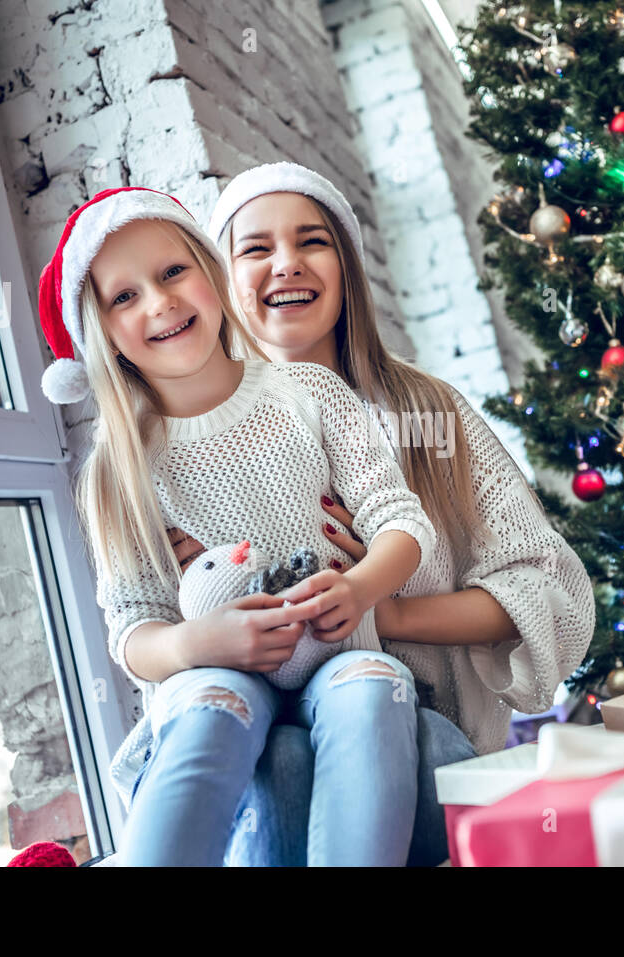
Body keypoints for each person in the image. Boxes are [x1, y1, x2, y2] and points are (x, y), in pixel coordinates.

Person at [183, 162, 597, 866]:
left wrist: (379, 608)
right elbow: (156, 632)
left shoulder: (426, 415)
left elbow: (548, 588)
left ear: (344, 267)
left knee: (422, 741)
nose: (286, 262)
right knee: (280, 760)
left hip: (425, 721)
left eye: (312, 241)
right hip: (273, 727)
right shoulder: (191, 440)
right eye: (254, 248)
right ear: (221, 281)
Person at [34, 186, 439, 865]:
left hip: (340, 655)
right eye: (124, 297)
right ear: (99, 331)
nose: (159, 304)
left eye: (171, 273)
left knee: (373, 690)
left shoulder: (307, 392)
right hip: (212, 666)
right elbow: (134, 633)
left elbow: (400, 519)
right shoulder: (119, 468)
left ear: (211, 272)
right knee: (204, 719)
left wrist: (362, 587)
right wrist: (199, 641)